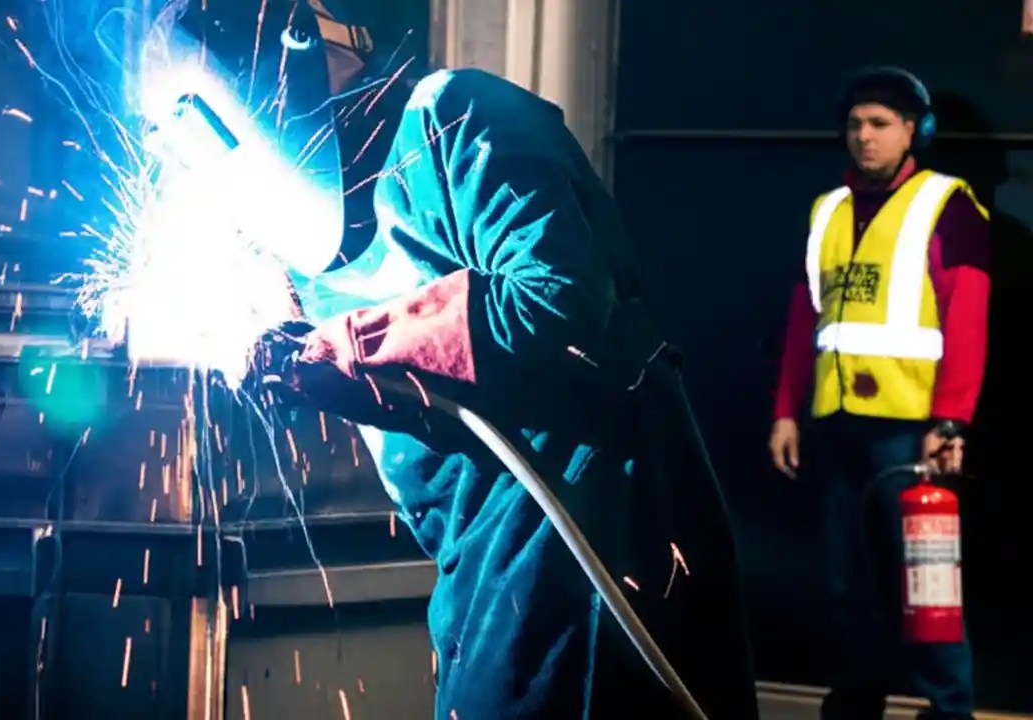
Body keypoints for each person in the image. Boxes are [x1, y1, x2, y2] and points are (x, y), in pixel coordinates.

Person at [160, 1, 760, 716]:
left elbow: (555, 309)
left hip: (592, 529)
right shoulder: (305, 240)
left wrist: (348, 346)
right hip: (473, 556)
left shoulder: (454, 117)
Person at [768, 66, 990, 720]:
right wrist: (787, 411)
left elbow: (968, 313)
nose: (863, 137)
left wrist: (950, 420)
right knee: (846, 587)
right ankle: (857, 704)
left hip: (910, 431)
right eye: (855, 124)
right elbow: (804, 317)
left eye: (880, 125)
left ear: (912, 132)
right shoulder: (827, 209)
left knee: (928, 583)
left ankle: (950, 709)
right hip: (837, 426)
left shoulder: (945, 203)